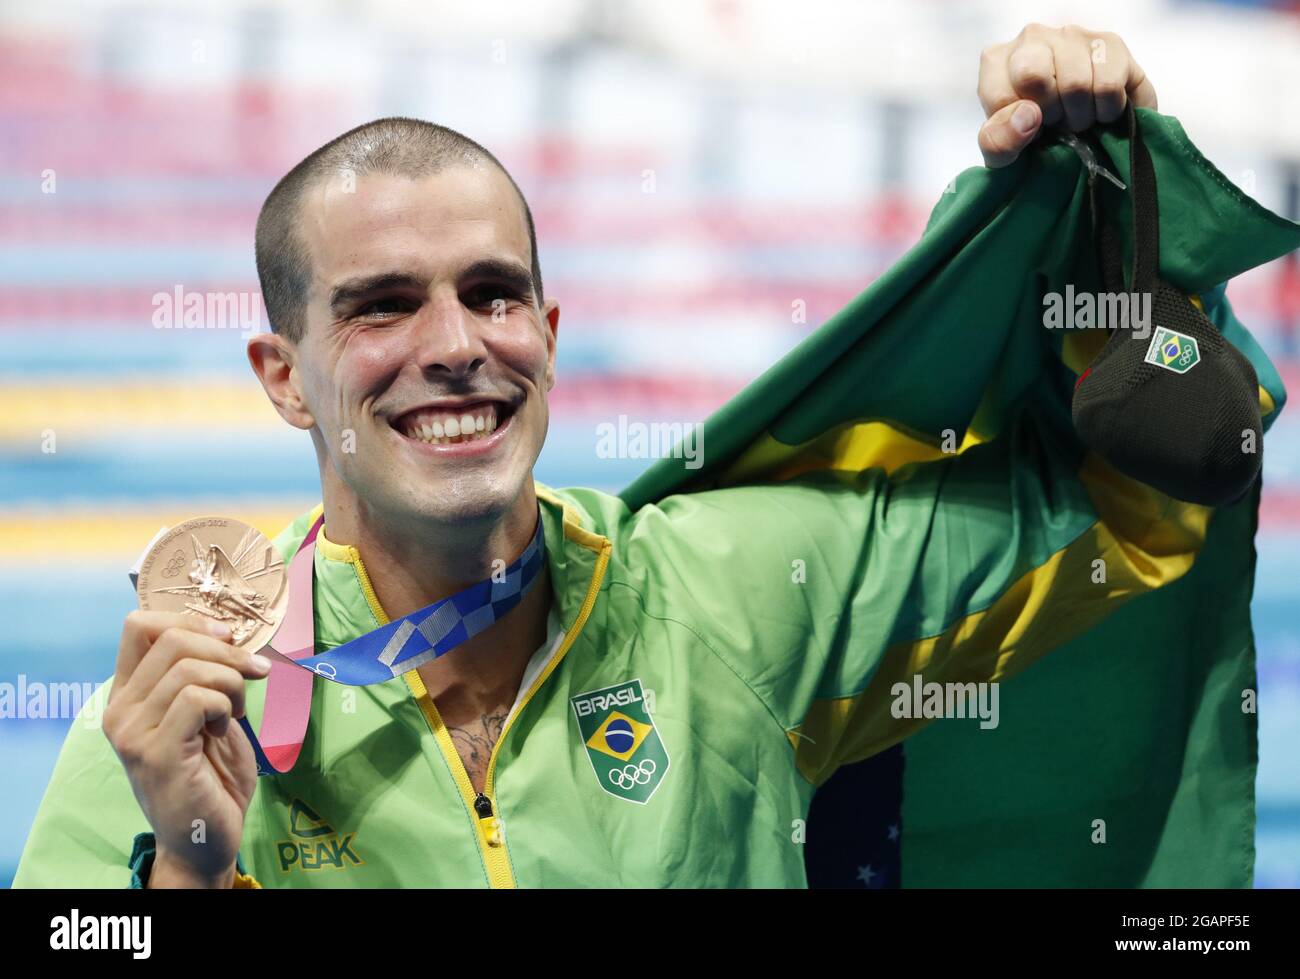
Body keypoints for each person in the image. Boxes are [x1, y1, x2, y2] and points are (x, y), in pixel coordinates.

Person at [16, 24, 1195, 888]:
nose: (456, 347)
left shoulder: (737, 597)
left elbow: (1133, 498)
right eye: (382, 307)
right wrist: (184, 862)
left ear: (550, 335)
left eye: (493, 295)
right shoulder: (177, 710)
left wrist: (1107, 189)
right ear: (284, 377)